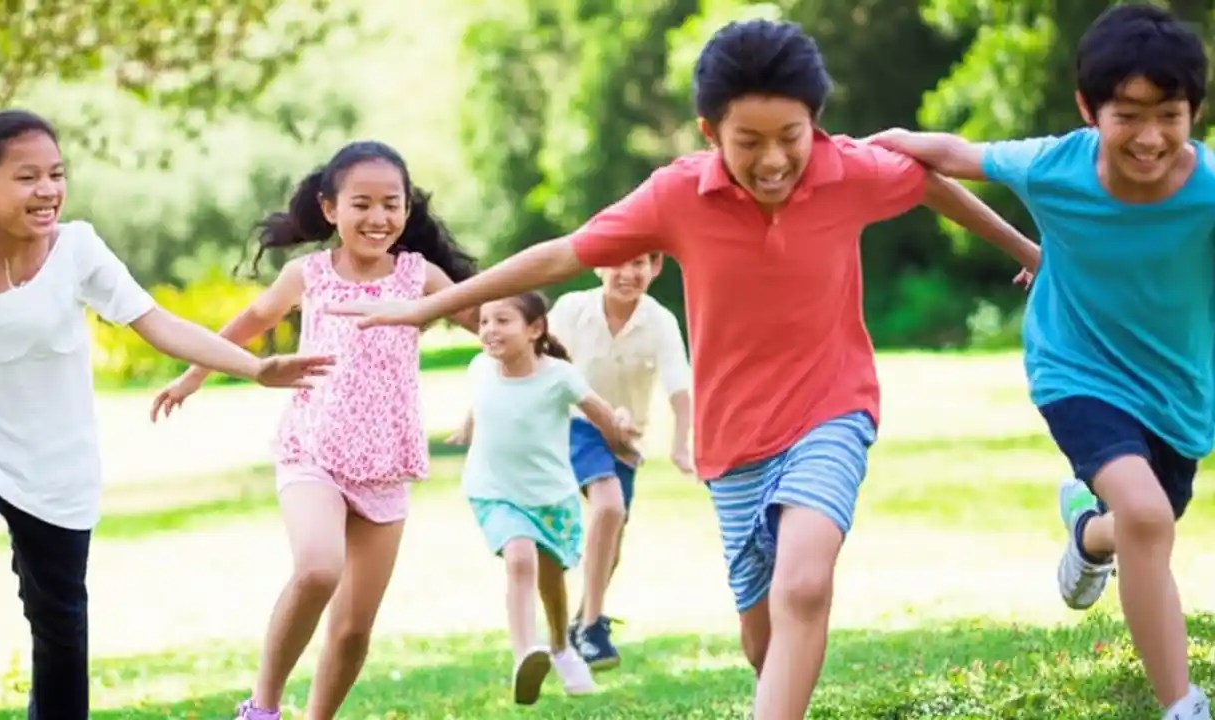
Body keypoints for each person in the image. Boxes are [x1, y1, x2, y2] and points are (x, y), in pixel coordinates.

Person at [325, 19, 1040, 719]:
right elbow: (562, 254)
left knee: (804, 587)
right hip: (733, 444)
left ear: (816, 127)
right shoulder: (676, 196)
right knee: (763, 642)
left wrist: (1026, 251)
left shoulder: (846, 170)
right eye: (747, 142)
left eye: (790, 138)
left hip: (832, 409)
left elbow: (926, 180)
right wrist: (434, 307)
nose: (772, 162)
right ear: (709, 132)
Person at [864, 5, 1214, 719]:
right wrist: (854, 146)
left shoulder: (1208, 187)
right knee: (1148, 517)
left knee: (1149, 521)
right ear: (1089, 109)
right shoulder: (1053, 165)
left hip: (1177, 389)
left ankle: (1088, 534)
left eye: (1170, 115)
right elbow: (941, 156)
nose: (1150, 137)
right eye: (1129, 115)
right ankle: (1182, 704)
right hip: (1076, 373)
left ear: (1196, 113)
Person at [0, 109, 331, 720]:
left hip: (54, 460)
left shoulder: (78, 248)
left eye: (56, 174)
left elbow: (156, 323)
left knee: (59, 615)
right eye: (27, 177)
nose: (48, 191)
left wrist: (253, 368)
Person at [149, 140, 478, 720]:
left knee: (353, 631)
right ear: (330, 209)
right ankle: (262, 708)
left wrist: (539, 342)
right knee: (319, 567)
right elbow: (251, 322)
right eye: (362, 204)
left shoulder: (418, 276)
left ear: (407, 210)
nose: (378, 218)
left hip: (386, 461)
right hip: (314, 450)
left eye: (391, 204)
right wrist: (194, 375)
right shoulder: (310, 275)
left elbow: (484, 316)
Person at [449, 291, 638, 705]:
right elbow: (480, 405)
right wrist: (465, 428)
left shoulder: (559, 376)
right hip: (493, 490)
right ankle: (524, 656)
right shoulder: (480, 367)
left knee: (552, 584)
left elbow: (600, 413)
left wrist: (621, 440)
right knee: (519, 558)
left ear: (535, 330)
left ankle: (559, 647)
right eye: (483, 322)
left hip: (551, 496)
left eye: (502, 321)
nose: (489, 330)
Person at [546, 252, 692, 670]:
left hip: (624, 439)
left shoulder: (659, 320)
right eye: (617, 263)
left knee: (612, 528)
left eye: (640, 264)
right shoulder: (572, 309)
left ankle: (581, 623)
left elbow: (678, 384)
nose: (628, 274)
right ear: (598, 265)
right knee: (608, 506)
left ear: (656, 267)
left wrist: (681, 445)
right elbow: (541, 366)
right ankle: (591, 625)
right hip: (573, 425)